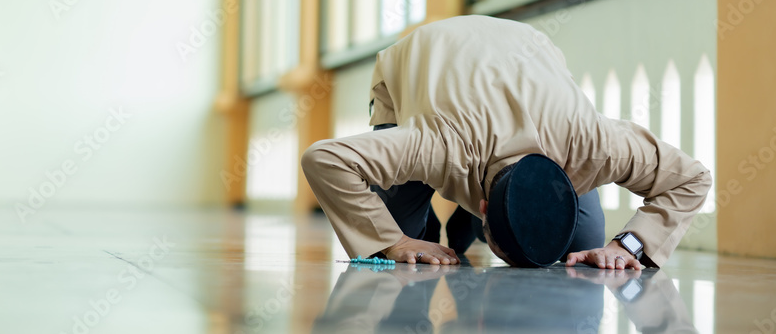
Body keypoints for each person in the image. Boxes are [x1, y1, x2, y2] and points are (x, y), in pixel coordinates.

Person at [301, 16, 712, 268]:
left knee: (581, 247)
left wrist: (630, 246)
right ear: (484, 209)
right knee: (396, 248)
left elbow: (692, 178)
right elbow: (325, 159)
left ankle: (461, 223)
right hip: (425, 61)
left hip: (524, 52)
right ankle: (424, 226)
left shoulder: (593, 144)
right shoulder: (437, 144)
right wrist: (394, 241)